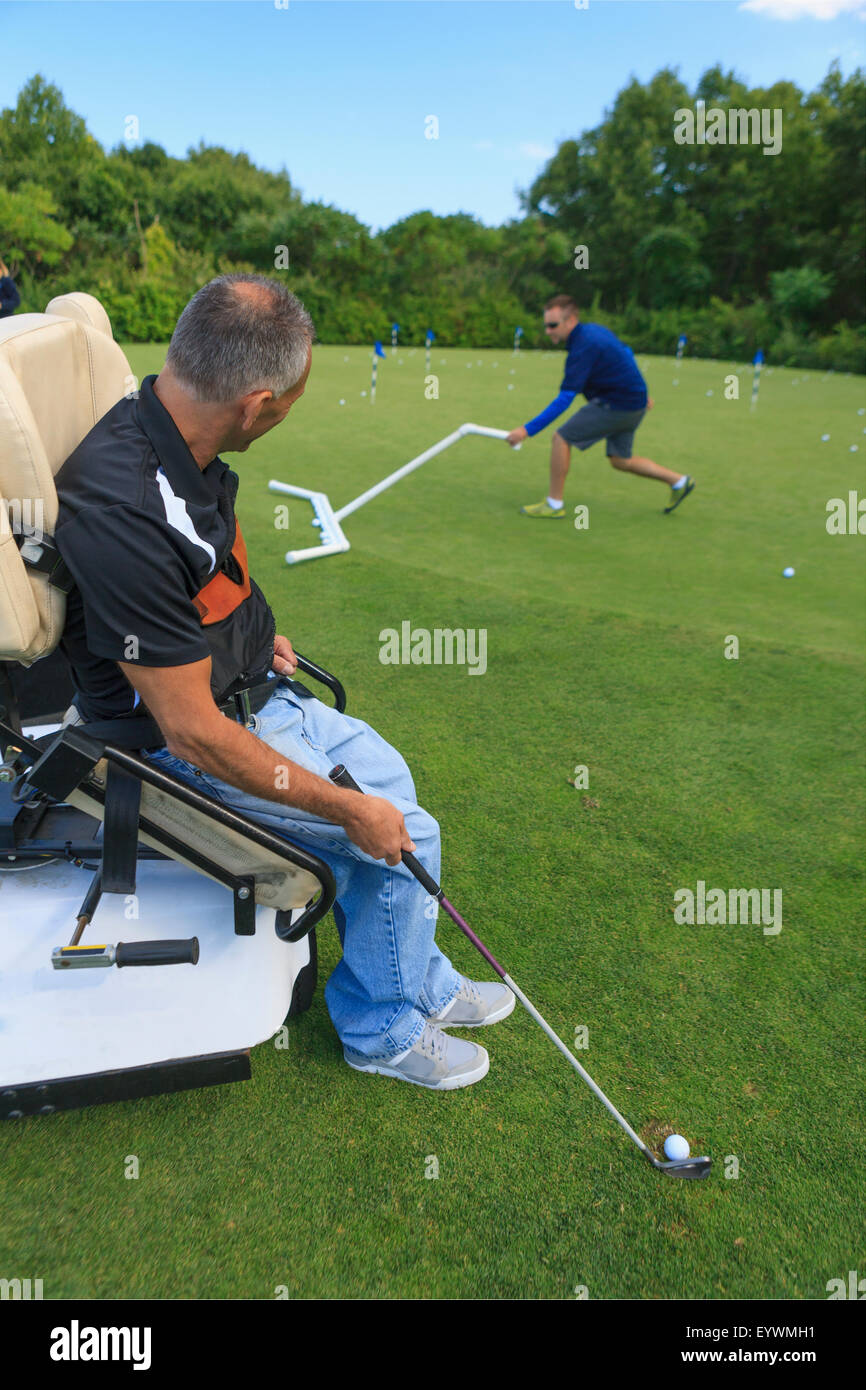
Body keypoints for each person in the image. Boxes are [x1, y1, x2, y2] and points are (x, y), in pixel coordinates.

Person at [53, 274, 514, 1090]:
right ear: (257, 404)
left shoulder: (172, 435)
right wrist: (342, 808)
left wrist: (253, 637)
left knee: (395, 791)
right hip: (177, 745)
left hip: (250, 690)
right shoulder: (125, 507)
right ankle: (381, 1033)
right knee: (399, 827)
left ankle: (417, 983)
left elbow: (202, 576)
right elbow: (187, 729)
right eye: (289, 406)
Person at [507, 295, 695, 516]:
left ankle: (553, 504)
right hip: (633, 403)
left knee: (562, 438)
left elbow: (564, 399)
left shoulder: (582, 347)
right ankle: (679, 481)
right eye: (546, 325)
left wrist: (526, 430)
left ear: (571, 320)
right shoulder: (594, 331)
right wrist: (640, 392)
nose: (548, 331)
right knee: (620, 461)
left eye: (553, 325)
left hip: (618, 405)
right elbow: (626, 352)